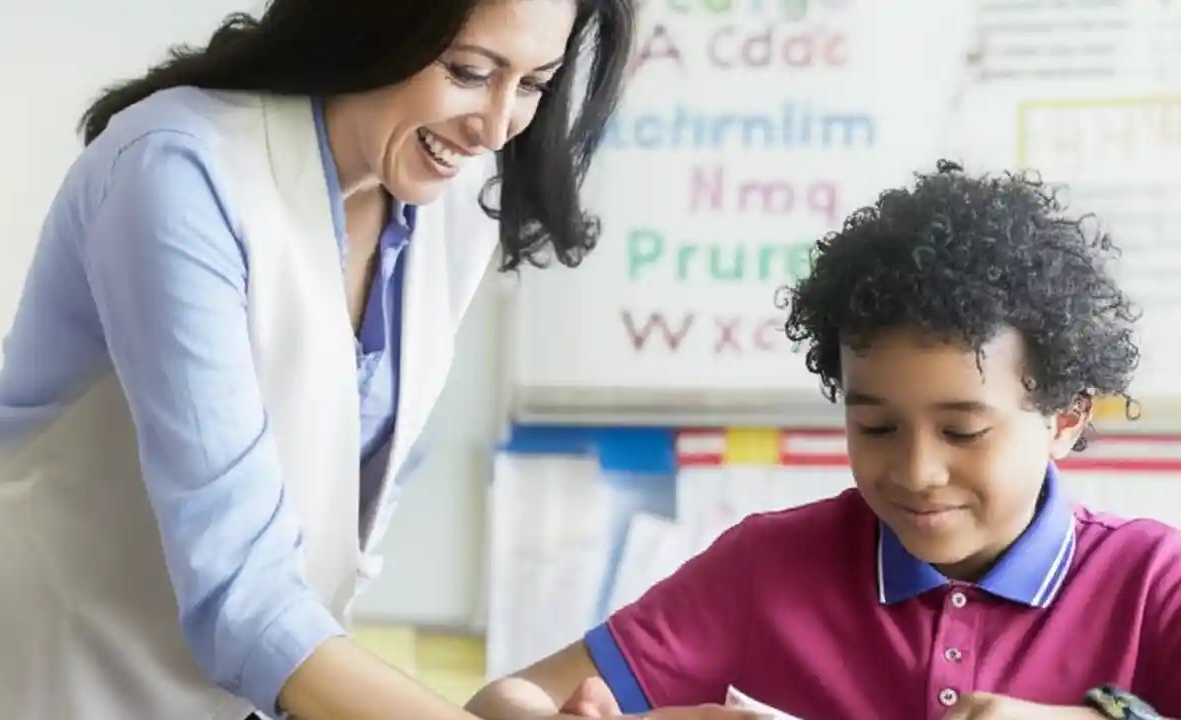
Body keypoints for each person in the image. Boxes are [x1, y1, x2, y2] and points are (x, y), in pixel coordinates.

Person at [0, 0, 634, 718]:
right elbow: (243, 594)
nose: (497, 126)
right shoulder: (180, 168)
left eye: (534, 83)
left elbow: (335, 528)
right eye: (470, 72)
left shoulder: (448, 200)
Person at [465, 161, 1181, 720]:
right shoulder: (766, 569)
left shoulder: (1152, 583)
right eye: (876, 427)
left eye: (963, 431)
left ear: (1065, 420)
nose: (917, 470)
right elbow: (502, 702)